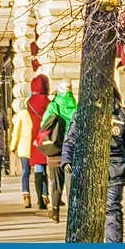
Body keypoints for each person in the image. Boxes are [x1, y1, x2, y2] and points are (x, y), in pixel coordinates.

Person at [40, 80, 78, 223]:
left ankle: (55, 211)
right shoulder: (76, 106)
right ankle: (72, 213)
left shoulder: (53, 106)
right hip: (72, 149)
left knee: (55, 182)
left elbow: (44, 125)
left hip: (55, 149)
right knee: (71, 182)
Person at [17, 74, 53, 210]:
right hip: (46, 135)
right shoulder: (47, 101)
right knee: (46, 168)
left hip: (35, 137)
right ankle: (45, 196)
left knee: (38, 167)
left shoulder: (29, 102)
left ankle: (39, 199)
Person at [105, 88, 125, 242]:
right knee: (110, 208)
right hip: (112, 167)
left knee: (111, 208)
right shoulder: (84, 112)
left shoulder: (122, 114)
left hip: (116, 168)